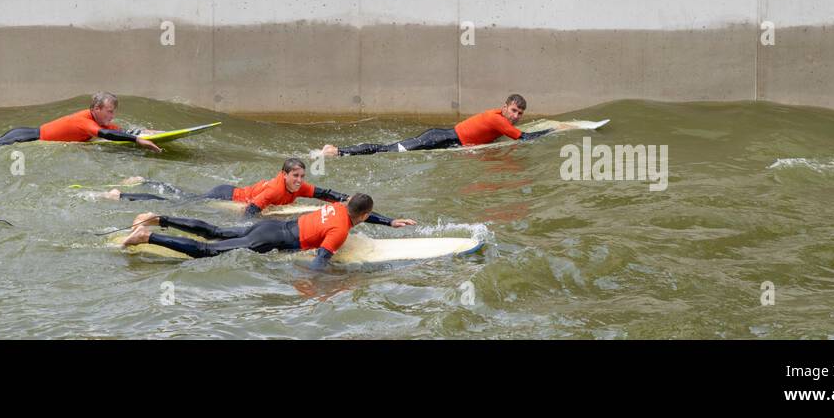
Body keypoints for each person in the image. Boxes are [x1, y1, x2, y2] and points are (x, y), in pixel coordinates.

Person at [110, 158, 416, 229]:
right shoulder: (273, 188)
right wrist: (251, 230)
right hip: (227, 197)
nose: (299, 181)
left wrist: (387, 221)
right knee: (179, 199)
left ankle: (144, 181)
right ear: (284, 175)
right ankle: (125, 194)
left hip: (233, 194)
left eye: (301, 176)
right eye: (294, 176)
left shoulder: (301, 187)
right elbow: (250, 212)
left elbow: (332, 196)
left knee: (182, 195)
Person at [121, 194, 377, 268]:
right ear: (363, 217)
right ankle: (146, 236)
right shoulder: (340, 231)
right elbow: (320, 260)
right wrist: (316, 282)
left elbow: (357, 210)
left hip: (269, 226)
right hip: (272, 239)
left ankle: (156, 219)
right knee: (206, 251)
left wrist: (390, 221)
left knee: (215, 231)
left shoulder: (337, 207)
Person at [0, 92, 161, 158]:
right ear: (96, 109)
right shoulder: (86, 122)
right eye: (109, 111)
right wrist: (136, 140)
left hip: (30, 133)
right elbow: (105, 133)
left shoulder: (94, 119)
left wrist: (149, 133)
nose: (112, 116)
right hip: (23, 137)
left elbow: (116, 131)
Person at [322, 95, 553, 156]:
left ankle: (340, 150)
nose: (516, 116)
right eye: (513, 110)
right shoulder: (498, 119)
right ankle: (339, 151)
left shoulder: (497, 116)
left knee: (390, 148)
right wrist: (557, 129)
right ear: (504, 107)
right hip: (439, 139)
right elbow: (524, 138)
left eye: (520, 113)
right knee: (388, 150)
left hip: (445, 139)